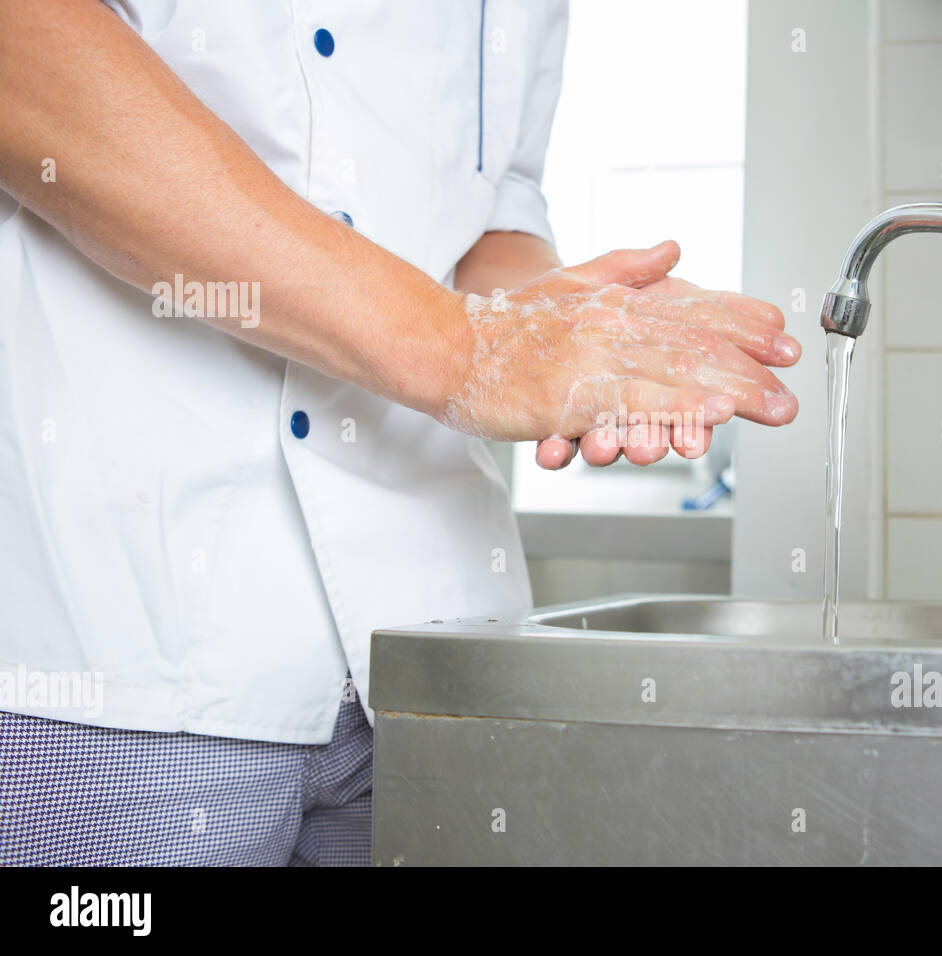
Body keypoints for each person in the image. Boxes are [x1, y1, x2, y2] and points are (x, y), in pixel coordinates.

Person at [0, 0, 799, 865]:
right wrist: (463, 351)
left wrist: (575, 332)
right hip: (121, 641)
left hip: (433, 644)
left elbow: (496, 219)